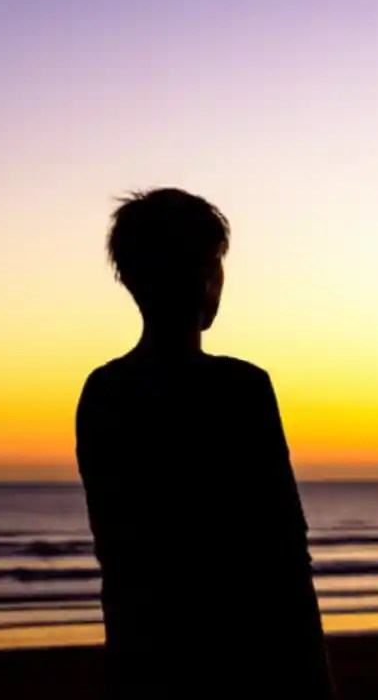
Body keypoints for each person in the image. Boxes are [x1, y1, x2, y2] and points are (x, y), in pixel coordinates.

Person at [74, 188, 337, 698]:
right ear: (203, 277)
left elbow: (119, 547)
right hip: (247, 661)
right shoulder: (241, 389)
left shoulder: (104, 393)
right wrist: (314, 678)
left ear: (129, 279)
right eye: (216, 263)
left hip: (144, 658)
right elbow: (282, 550)